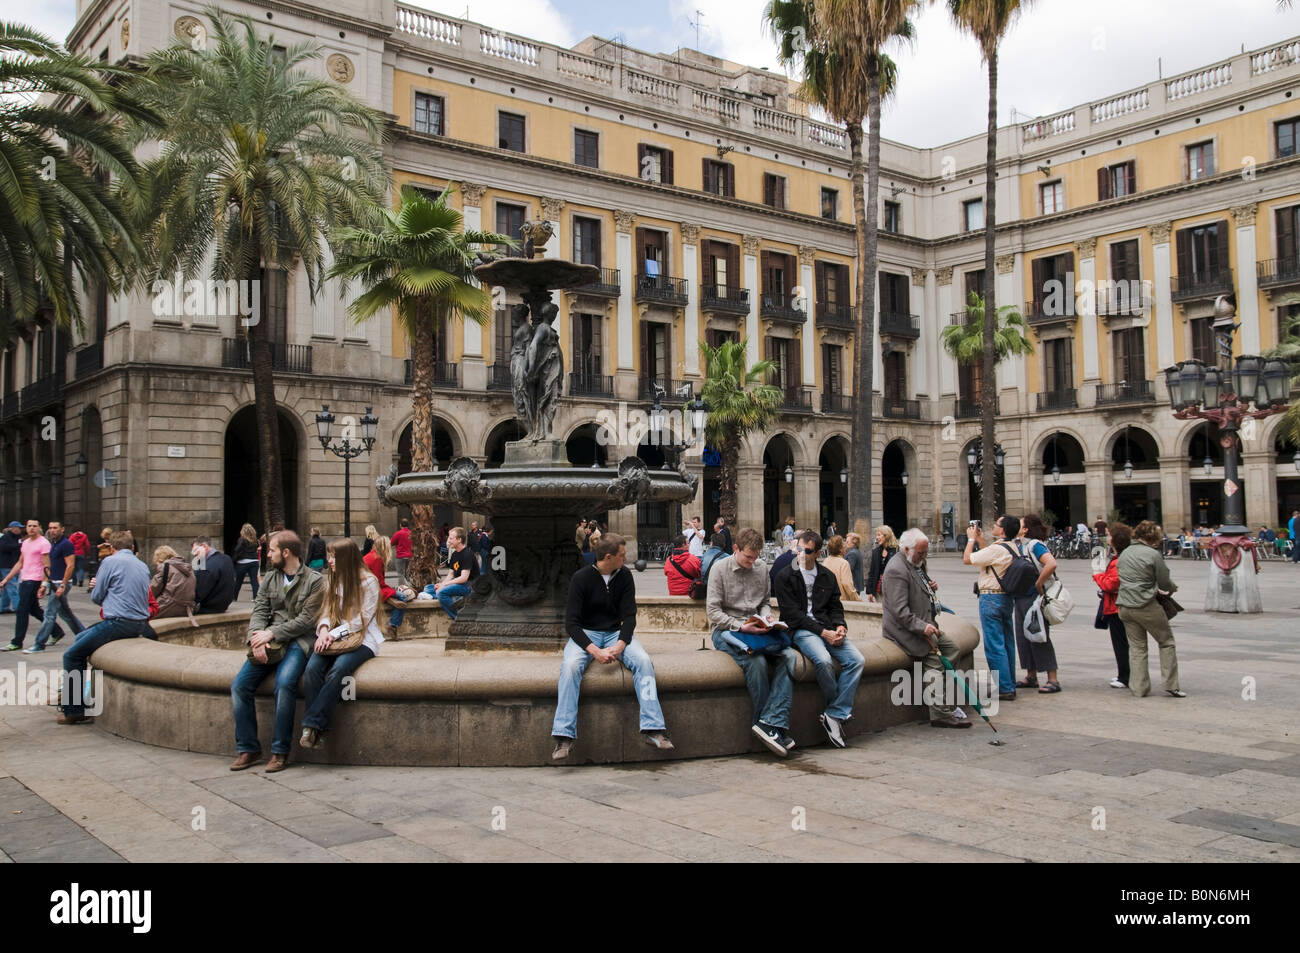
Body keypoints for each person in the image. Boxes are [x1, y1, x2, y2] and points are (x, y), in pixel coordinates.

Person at [551, 532, 672, 760]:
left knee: (644, 661)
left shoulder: (625, 576)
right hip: (587, 633)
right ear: (608, 557)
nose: (626, 559)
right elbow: (572, 624)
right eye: (622, 555)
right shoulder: (581, 578)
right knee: (570, 667)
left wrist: (620, 644)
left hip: (616, 633)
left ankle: (654, 728)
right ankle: (563, 735)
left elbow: (630, 616)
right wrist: (593, 650)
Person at [229, 530, 325, 772]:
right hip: (269, 639)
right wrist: (257, 640)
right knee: (240, 686)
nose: (267, 554)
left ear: (286, 552)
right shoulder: (270, 578)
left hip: (299, 641)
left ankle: (279, 751)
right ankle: (248, 747)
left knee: (284, 684)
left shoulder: (315, 581)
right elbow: (260, 610)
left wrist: (272, 634)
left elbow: (306, 621)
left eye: (271, 550)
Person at [707, 527, 800, 757]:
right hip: (727, 629)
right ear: (736, 549)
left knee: (789, 656)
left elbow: (765, 602)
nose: (752, 561)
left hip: (756, 627)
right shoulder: (719, 569)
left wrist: (766, 617)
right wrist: (740, 626)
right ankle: (767, 724)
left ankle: (770, 722)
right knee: (756, 662)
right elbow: (713, 611)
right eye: (748, 556)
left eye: (756, 557)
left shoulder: (761, 568)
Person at [774, 530, 863, 747]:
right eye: (798, 549)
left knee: (857, 660)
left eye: (807, 551)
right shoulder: (785, 575)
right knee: (823, 661)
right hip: (802, 630)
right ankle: (837, 712)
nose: (801, 554)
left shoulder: (826, 575)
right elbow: (792, 614)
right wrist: (824, 633)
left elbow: (835, 607)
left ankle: (833, 713)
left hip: (827, 627)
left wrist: (840, 626)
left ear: (818, 552)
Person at [56, 530, 154, 724]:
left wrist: (97, 585)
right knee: (81, 638)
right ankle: (82, 695)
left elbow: (96, 597)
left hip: (119, 623)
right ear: (132, 547)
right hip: (140, 623)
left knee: (71, 655)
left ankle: (74, 710)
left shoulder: (109, 562)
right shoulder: (142, 565)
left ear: (111, 548)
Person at [299, 538, 384, 750]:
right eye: (329, 556)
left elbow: (361, 620)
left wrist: (332, 634)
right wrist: (324, 630)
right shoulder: (334, 580)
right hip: (333, 637)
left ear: (346, 558)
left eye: (333, 557)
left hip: (363, 639)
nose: (329, 561)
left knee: (340, 669)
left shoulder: (369, 582)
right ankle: (319, 728)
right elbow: (327, 610)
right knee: (311, 669)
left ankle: (312, 726)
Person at [882, 528, 970, 728]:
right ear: (906, 549)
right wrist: (923, 628)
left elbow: (918, 589)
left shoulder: (914, 563)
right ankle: (939, 713)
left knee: (953, 650)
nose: (924, 556)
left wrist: (930, 588)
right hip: (905, 631)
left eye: (925, 552)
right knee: (933, 660)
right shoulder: (897, 569)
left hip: (925, 624)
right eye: (921, 552)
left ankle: (940, 699)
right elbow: (899, 611)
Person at [1118, 520, 1184, 698]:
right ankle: (1171, 684)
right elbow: (1164, 581)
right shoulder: (1152, 554)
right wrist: (1172, 588)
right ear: (1152, 537)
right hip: (1145, 605)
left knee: (1137, 648)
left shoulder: (1124, 553)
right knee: (1166, 641)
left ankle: (1139, 688)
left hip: (1124, 605)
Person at [963, 515, 1019, 701]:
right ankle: (1009, 683)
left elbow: (967, 559)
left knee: (995, 645)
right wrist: (980, 540)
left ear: (1002, 530)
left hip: (990, 598)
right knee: (1007, 643)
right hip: (1005, 599)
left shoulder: (997, 549)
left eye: (996, 524)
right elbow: (989, 557)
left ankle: (1004, 688)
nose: (993, 525)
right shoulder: (1011, 547)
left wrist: (971, 539)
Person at [1012, 514, 1061, 693]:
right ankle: (1031, 675)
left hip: (1034, 598)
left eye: (1020, 524)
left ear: (1025, 529)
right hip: (1021, 597)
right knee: (1023, 637)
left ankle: (1052, 679)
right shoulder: (1019, 545)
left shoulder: (1034, 545)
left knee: (1039, 635)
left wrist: (1039, 583)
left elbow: (1051, 564)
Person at [2, 519, 64, 651]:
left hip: (35, 580)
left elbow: (47, 566)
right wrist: (6, 579)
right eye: (29, 526)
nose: (31, 528)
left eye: (34, 526)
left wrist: (44, 584)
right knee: (33, 609)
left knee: (22, 609)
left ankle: (17, 641)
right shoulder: (25, 543)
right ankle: (56, 631)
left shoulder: (43, 543)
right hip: (25, 579)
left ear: (39, 528)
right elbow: (20, 563)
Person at [25, 521, 85, 653]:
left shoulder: (66, 544)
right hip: (53, 582)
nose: (53, 530)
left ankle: (39, 644)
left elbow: (70, 565)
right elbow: (48, 567)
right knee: (65, 613)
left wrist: (63, 585)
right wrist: (44, 584)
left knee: (49, 613)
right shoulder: (52, 544)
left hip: (61, 583)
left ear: (62, 529)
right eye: (50, 528)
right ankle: (84, 635)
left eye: (55, 528)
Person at [1093, 522, 1131, 689]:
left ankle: (1124, 676)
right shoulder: (1122, 558)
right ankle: (1127, 674)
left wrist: (1098, 576)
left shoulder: (1118, 561)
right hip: (1120, 605)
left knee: (1121, 643)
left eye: (1109, 535)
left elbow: (1111, 584)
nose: (1107, 538)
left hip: (1116, 607)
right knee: (1126, 642)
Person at [364, 533, 412, 635]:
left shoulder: (370, 555)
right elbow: (379, 582)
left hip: (369, 588)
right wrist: (392, 590)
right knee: (403, 596)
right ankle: (393, 625)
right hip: (373, 590)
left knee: (398, 593)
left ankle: (393, 625)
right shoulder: (377, 559)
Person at [428, 526, 477, 619]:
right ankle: (452, 598)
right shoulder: (455, 554)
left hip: (468, 587)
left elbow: (464, 578)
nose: (448, 540)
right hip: (457, 585)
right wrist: (442, 584)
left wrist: (445, 585)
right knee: (428, 588)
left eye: (451, 538)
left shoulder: (467, 554)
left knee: (441, 593)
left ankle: (458, 617)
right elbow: (451, 574)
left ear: (459, 540)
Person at [149, 546, 197, 620]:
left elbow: (152, 590)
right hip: (186, 609)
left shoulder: (165, 567)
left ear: (159, 559)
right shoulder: (187, 567)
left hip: (168, 605)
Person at [192, 536, 237, 614]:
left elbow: (198, 591)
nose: (195, 554)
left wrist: (199, 560)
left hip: (209, 607)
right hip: (223, 605)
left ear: (204, 546)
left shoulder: (208, 565)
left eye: (195, 550)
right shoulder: (226, 558)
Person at [863, 526, 898, 601]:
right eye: (876, 535)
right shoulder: (876, 551)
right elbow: (872, 572)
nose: (877, 537)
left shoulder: (896, 551)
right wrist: (870, 592)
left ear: (886, 535)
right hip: (879, 589)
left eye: (879, 535)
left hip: (893, 589)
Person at [821, 535, 860, 602]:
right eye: (844, 546)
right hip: (840, 600)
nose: (845, 548)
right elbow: (847, 584)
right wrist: (857, 599)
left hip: (827, 599)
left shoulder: (825, 561)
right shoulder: (843, 563)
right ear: (840, 549)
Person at [232, 523, 261, 600]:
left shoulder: (242, 539)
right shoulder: (255, 540)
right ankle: (256, 597)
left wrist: (234, 559)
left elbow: (237, 550)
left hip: (243, 562)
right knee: (254, 580)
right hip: (254, 562)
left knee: (238, 581)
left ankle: (234, 597)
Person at [0, 521, 23, 612]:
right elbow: (5, 547)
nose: (19, 529)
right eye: (17, 527)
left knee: (7, 587)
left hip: (12, 565)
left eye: (20, 528)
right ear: (11, 528)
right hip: (6, 565)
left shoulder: (16, 538)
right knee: (12, 586)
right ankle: (18, 607)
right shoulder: (5, 538)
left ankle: (3, 607)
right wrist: (19, 546)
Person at [392, 518, 413, 585]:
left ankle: (403, 588)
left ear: (400, 525)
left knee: (400, 574)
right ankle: (410, 587)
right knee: (407, 574)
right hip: (409, 556)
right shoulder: (411, 533)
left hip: (400, 556)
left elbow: (391, 543)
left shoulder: (398, 533)